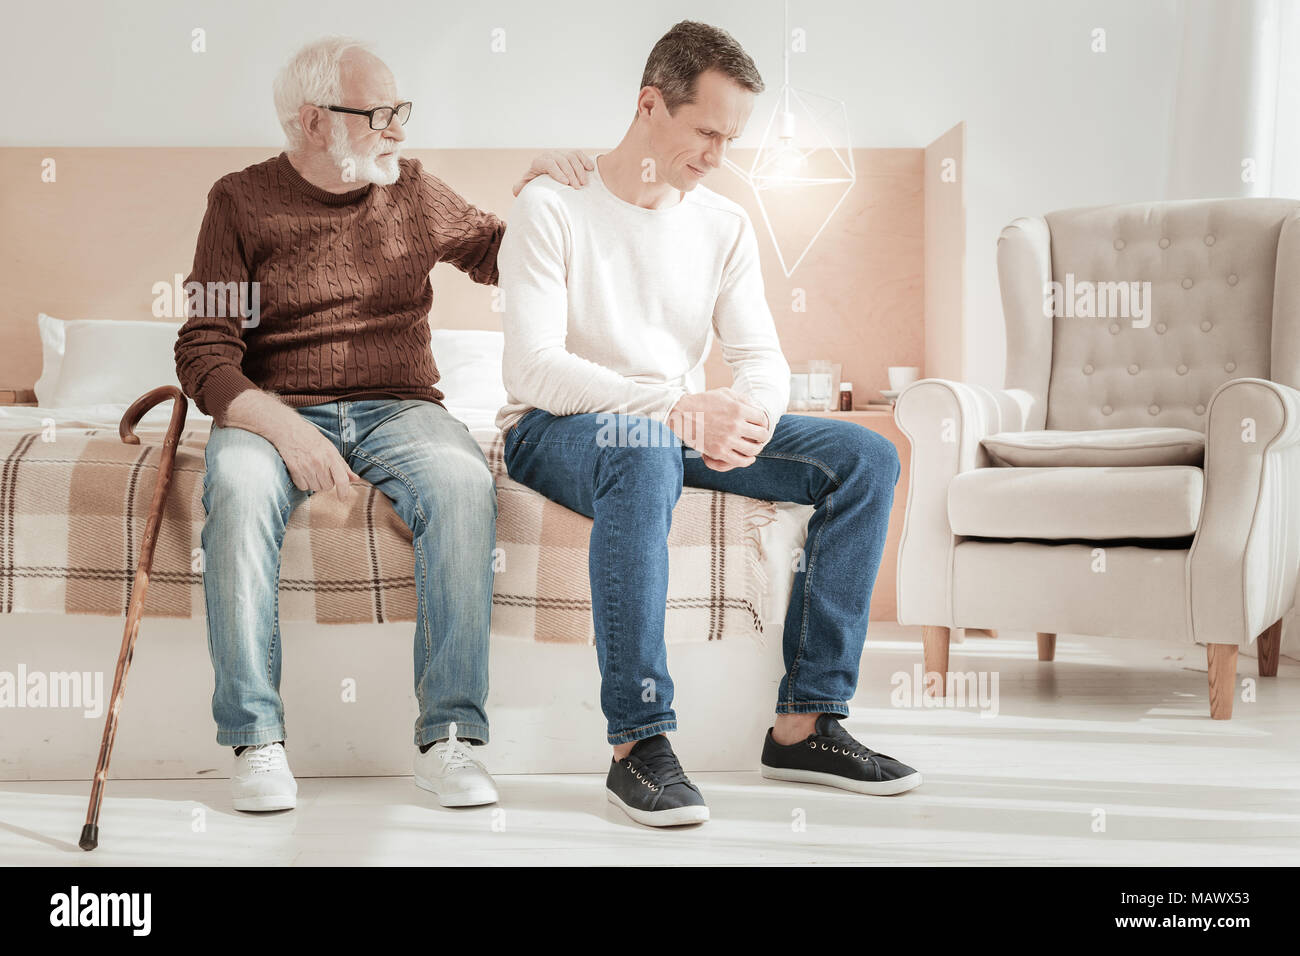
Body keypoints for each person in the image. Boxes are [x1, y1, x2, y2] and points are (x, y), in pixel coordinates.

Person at [497, 20, 922, 828]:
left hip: (674, 427)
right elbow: (533, 369)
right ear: (649, 104)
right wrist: (679, 407)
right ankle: (637, 743)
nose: (718, 156)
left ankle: (806, 723)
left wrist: (747, 415)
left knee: (865, 457)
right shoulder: (552, 207)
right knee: (648, 451)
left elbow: (761, 357)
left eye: (734, 139)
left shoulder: (721, 223)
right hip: (558, 427)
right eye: (707, 132)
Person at [175, 35, 592, 813]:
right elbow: (205, 351)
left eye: (402, 110)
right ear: (312, 122)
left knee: (467, 483)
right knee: (231, 484)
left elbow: (510, 258)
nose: (398, 129)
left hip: (400, 405)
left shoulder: (413, 189)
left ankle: (450, 741)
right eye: (380, 113)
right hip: (275, 407)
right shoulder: (239, 201)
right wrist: (286, 432)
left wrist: (540, 192)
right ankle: (256, 739)